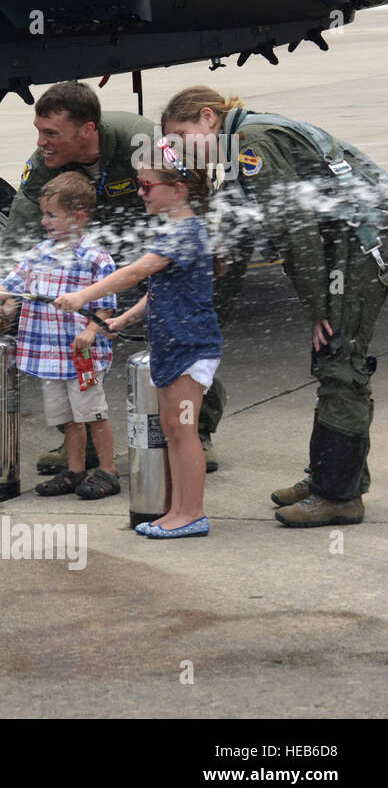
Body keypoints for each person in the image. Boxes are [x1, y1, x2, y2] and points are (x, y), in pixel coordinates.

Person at [159, 86, 386, 527]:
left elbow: (293, 229)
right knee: (333, 360)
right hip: (347, 239)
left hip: (362, 240)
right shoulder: (243, 143)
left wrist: (316, 306)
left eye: (181, 137)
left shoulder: (251, 144)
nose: (179, 151)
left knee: (340, 359)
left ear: (208, 118)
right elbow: (242, 237)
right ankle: (331, 475)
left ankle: (338, 495)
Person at [0, 81, 234, 475]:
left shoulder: (138, 141)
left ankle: (199, 430)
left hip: (160, 245)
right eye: (39, 132)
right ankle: (79, 437)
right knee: (71, 332)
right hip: (93, 252)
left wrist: (205, 251)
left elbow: (189, 183)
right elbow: (25, 219)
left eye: (51, 132)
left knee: (184, 334)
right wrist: (11, 291)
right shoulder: (45, 161)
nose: (42, 142)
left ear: (87, 130)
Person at [55, 146, 221, 538]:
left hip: (190, 348)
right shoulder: (175, 231)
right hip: (175, 347)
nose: (141, 193)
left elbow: (135, 273)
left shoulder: (186, 232)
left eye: (147, 185)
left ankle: (191, 513)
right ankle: (177, 510)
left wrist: (83, 297)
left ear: (177, 189)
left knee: (183, 430)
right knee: (172, 430)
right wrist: (126, 318)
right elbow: (157, 288)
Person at [0, 172, 121, 499]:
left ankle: (108, 471)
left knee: (93, 414)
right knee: (68, 420)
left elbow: (104, 307)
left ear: (78, 217)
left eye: (52, 215)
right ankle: (74, 472)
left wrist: (90, 331)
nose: (44, 221)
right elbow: (9, 287)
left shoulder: (95, 258)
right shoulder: (37, 255)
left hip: (81, 357)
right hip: (51, 356)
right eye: (43, 214)